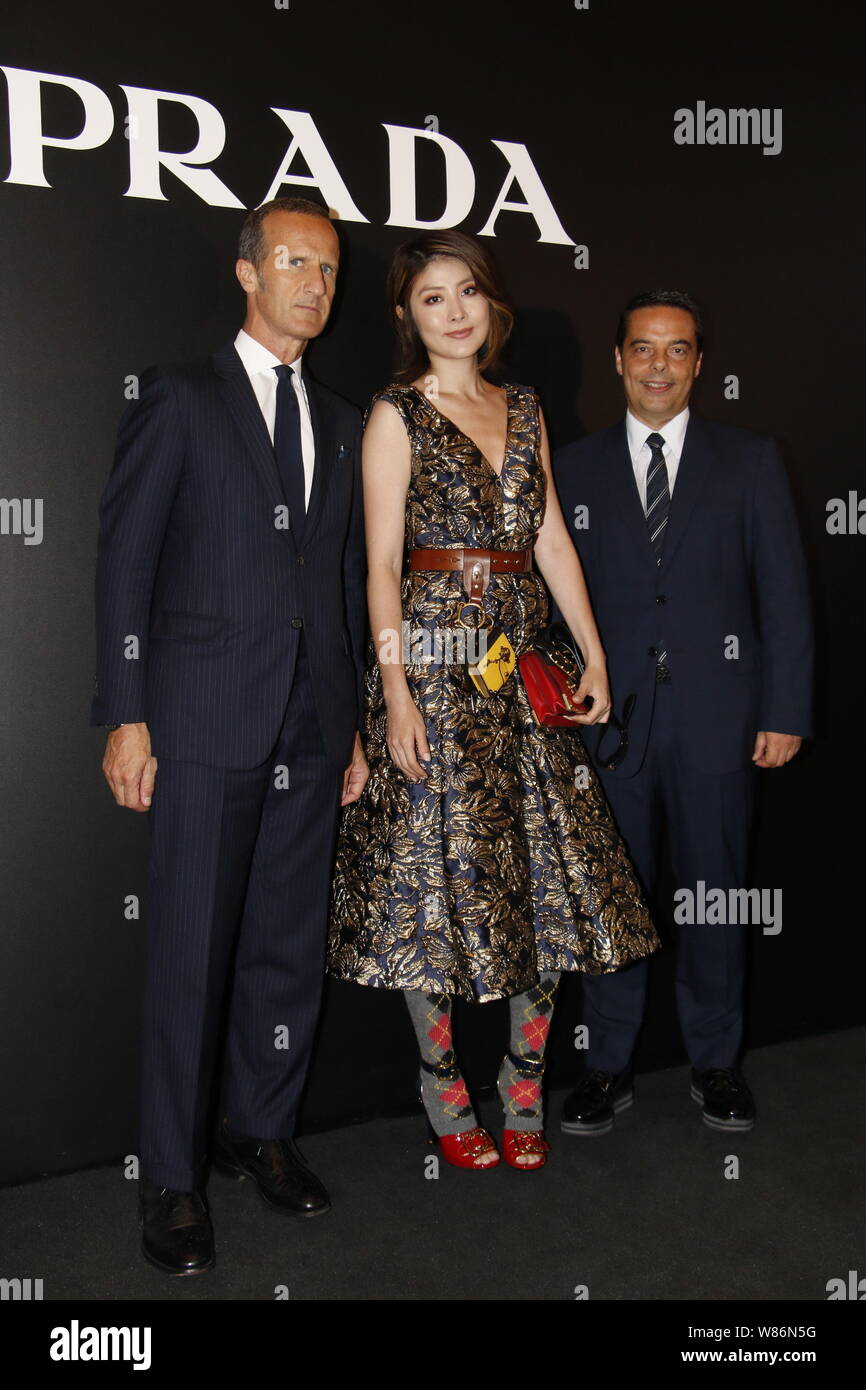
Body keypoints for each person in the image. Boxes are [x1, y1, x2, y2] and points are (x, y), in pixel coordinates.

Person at [327, 231, 659, 1170]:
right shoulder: (395, 414)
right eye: (433, 298)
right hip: (432, 664)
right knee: (431, 885)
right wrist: (394, 692)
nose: (456, 311)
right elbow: (382, 566)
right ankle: (443, 1089)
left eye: (468, 291)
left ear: (493, 303)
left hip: (519, 669)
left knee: (547, 879)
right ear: (407, 316)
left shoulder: (524, 407)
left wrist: (593, 654)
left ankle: (524, 1081)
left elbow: (551, 539)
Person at [91, 196, 368, 1275]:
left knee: (286, 951)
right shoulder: (178, 397)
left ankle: (258, 1127)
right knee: (189, 956)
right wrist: (126, 710)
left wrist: (347, 730)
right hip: (202, 719)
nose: (314, 281)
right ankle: (170, 1177)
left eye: (330, 268)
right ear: (246, 271)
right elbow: (125, 565)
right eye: (294, 261)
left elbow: (340, 581)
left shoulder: (341, 420)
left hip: (312, 724)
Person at [553, 290, 813, 1136]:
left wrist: (785, 709)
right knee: (611, 903)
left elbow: (785, 597)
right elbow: (553, 606)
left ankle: (715, 1062)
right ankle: (606, 1066)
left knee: (717, 898)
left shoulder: (751, 461)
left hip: (720, 722)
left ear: (700, 363)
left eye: (676, 350)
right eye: (642, 349)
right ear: (618, 360)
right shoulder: (573, 466)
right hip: (608, 727)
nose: (658, 365)